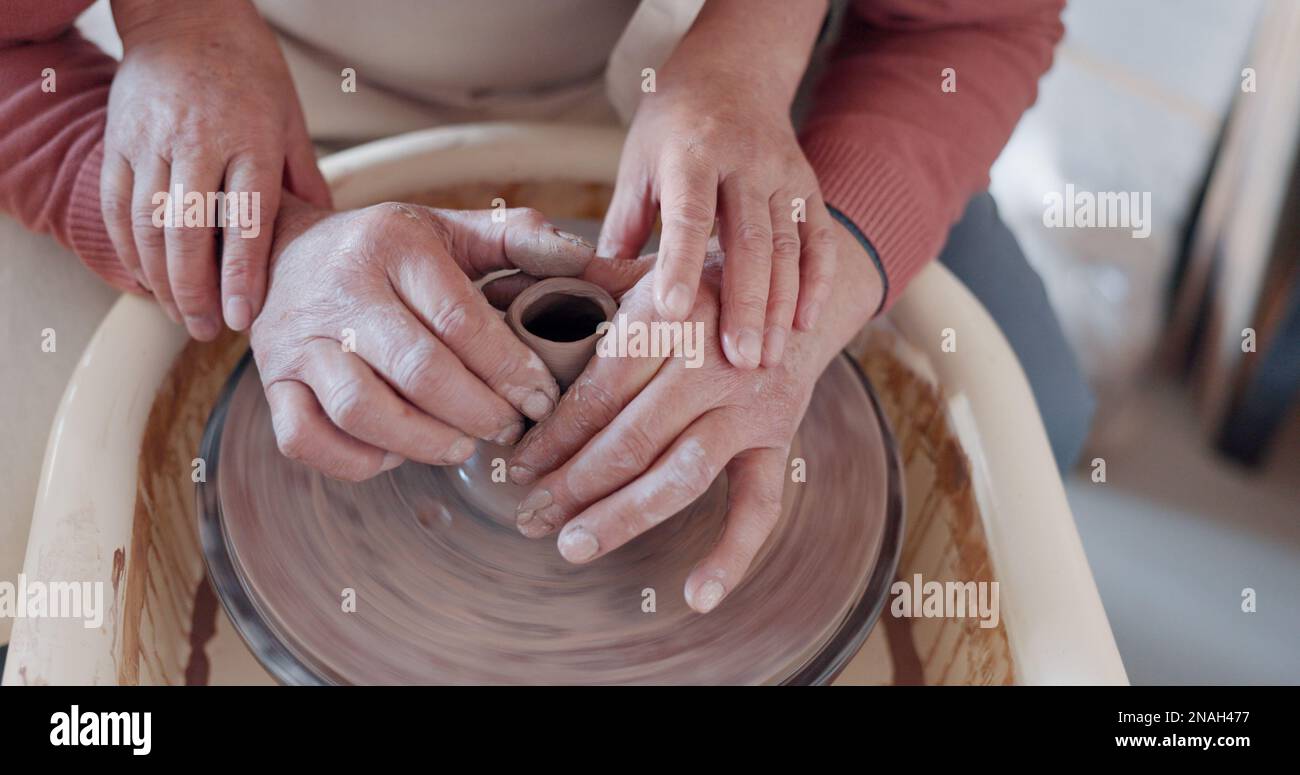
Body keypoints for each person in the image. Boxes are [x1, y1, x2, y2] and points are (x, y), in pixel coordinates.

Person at [0, 0, 1085, 616]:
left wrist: (807, 264)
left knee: (1033, 419)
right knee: (52, 561)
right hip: (269, 122)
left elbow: (976, 23)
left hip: (748, 122)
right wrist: (255, 237)